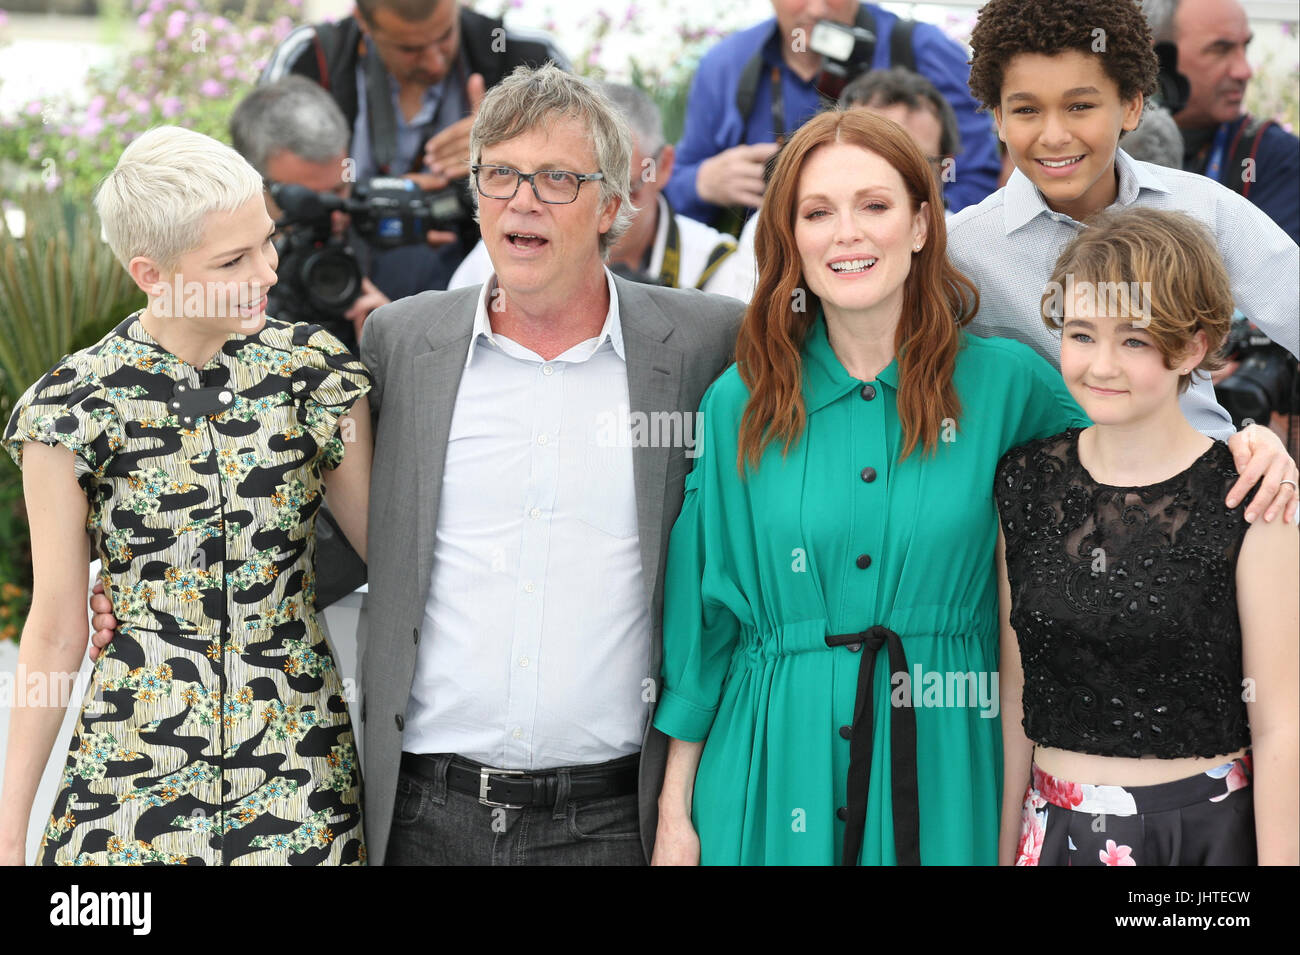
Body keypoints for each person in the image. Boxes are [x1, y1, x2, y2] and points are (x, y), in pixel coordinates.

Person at [91, 65, 743, 865]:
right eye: (499, 174)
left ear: (613, 204)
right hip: (425, 815)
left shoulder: (707, 344)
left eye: (557, 179)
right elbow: (326, 529)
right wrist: (159, 582)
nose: (522, 200)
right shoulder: (401, 341)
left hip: (612, 817)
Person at [652, 108, 1091, 866]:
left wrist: (1245, 448)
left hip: (953, 758)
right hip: (766, 766)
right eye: (817, 212)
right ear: (790, 238)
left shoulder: (1012, 390)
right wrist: (673, 809)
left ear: (922, 225)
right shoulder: (738, 403)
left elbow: (1139, 471)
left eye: (875, 206)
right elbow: (707, 622)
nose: (846, 233)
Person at [0, 126, 373, 866]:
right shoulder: (71, 408)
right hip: (126, 785)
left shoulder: (315, 376)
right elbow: (54, 629)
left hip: (299, 779)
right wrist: (10, 836)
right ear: (152, 272)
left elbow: (393, 559)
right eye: (232, 259)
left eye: (267, 242)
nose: (267, 271)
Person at [996, 208, 1298, 865]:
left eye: (1133, 339)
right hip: (1052, 833)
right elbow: (1014, 694)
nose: (1102, 364)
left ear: (1193, 345)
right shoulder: (1023, 483)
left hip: (1202, 837)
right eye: (1081, 333)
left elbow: (1282, 724)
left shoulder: (1250, 495)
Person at [950, 0, 1300, 519]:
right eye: (1026, 110)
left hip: (1207, 505)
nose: (1053, 135)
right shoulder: (960, 250)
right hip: (1044, 525)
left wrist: (1264, 443)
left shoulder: (1202, 208)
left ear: (1133, 106)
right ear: (998, 118)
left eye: (1080, 106)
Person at [261, 0, 570, 293]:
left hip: (486, 293)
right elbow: (261, 192)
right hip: (334, 285)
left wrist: (508, 147)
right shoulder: (310, 57)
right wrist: (364, 203)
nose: (435, 61)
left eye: (446, 34)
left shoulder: (530, 54)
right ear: (363, 22)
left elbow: (588, 178)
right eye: (410, 49)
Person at [663, 0, 1000, 231]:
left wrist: (905, 222)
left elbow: (979, 180)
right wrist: (704, 182)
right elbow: (667, 189)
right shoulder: (725, 66)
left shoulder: (924, 50)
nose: (817, 8)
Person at [450, 82, 755, 300]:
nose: (609, 210)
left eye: (627, 191)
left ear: (664, 167)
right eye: (559, 179)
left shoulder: (720, 269)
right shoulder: (492, 262)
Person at [231, 76, 391, 352]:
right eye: (306, 202)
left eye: (338, 192)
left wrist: (397, 342)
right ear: (251, 182)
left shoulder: (397, 251)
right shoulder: (216, 270)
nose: (331, 216)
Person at [1142, 0, 1300, 243]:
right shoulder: (1105, 144)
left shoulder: (1275, 157)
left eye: (1244, 47)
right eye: (1220, 49)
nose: (1244, 71)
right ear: (1155, 57)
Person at [839, 67, 962, 206]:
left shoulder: (967, 227)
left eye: (910, 162)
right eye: (866, 156)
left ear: (945, 169)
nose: (884, 178)